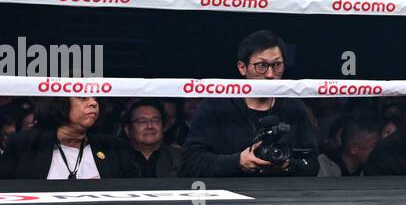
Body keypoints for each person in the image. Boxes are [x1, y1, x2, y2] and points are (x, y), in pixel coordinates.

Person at [181, 30, 319, 177]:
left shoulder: (294, 108)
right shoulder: (214, 107)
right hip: (230, 195)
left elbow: (312, 164)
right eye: (261, 65)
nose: (270, 74)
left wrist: (289, 164)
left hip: (281, 195)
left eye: (277, 65)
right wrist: (236, 162)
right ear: (242, 68)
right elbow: (191, 163)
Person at [0, 96, 139, 179]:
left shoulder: (117, 148)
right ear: (60, 102)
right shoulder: (23, 144)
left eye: (95, 98)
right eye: (83, 97)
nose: (93, 103)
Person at [122, 99, 183, 178]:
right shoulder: (117, 159)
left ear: (163, 127)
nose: (150, 126)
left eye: (156, 120)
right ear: (128, 130)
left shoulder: (180, 157)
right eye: (142, 121)